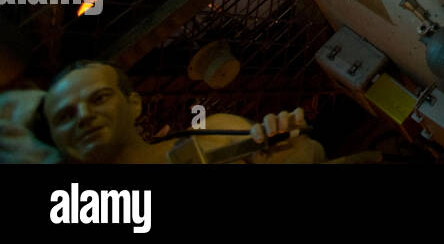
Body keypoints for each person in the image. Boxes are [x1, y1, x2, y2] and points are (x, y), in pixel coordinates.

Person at [42, 61, 324, 164]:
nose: (83, 116)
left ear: (134, 104)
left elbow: (304, 155)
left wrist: (292, 147)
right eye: (65, 116)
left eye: (99, 98)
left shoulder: (214, 137)